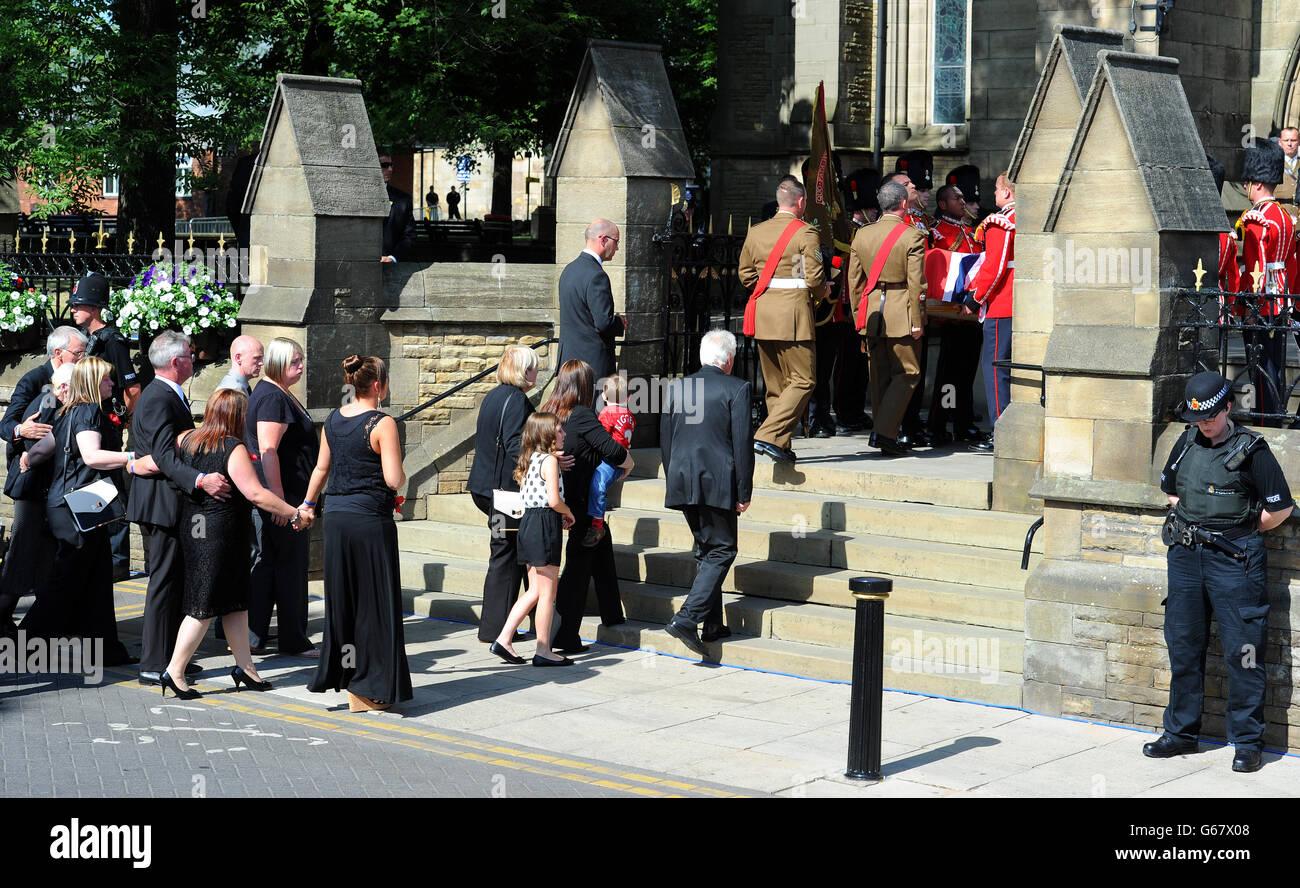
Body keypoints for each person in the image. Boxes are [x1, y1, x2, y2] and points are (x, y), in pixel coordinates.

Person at [1143, 372, 1294, 773]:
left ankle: (1247, 742)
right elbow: (1172, 490)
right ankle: (1180, 734)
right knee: (1184, 645)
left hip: (1235, 560)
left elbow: (1279, 509)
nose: (1205, 423)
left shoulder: (1253, 450)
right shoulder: (1187, 440)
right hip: (1186, 558)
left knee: (1243, 654)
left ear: (1228, 407)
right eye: (1198, 418)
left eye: (1210, 415)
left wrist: (1240, 530)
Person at [157, 389, 308, 699]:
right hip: (220, 535)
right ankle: (174, 671)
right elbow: (254, 493)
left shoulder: (189, 440)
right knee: (204, 605)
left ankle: (246, 669)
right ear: (238, 416)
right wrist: (293, 513)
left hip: (197, 530)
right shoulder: (232, 446)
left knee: (236, 604)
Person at [20, 358, 156, 666]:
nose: (112, 384)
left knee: (96, 578)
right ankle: (19, 646)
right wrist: (132, 457)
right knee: (65, 581)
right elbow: (92, 456)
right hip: (77, 507)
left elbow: (47, 447)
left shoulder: (69, 411)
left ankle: (107, 651)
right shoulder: (90, 411)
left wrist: (28, 458)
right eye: (107, 379)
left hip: (72, 505)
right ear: (94, 380)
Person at [303, 355, 413, 712]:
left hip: (335, 518)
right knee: (375, 605)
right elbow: (393, 479)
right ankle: (372, 686)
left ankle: (350, 681)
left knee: (345, 602)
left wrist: (307, 504)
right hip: (369, 521)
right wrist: (403, 480)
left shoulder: (334, 419)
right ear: (377, 386)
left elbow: (321, 468)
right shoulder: (383, 423)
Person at [129, 332, 232, 686]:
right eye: (189, 355)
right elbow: (162, 456)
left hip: (167, 500)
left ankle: (174, 660)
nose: (194, 359)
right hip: (160, 502)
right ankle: (153, 663)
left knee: (176, 579)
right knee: (163, 581)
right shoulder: (158, 397)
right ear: (176, 362)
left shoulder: (164, 393)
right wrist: (202, 479)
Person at [661, 330, 754, 656]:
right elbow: (742, 444)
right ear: (728, 359)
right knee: (722, 549)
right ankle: (687, 618)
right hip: (717, 481)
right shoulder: (737, 388)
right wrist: (744, 490)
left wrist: (672, 476)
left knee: (707, 548)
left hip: (683, 478)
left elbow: (666, 438)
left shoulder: (678, 387)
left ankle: (712, 624)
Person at [0, 326, 86, 638]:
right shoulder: (35, 380)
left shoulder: (75, 378)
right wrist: (22, 431)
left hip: (56, 483)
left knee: (50, 552)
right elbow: (7, 424)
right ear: (58, 353)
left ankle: (42, 622)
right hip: (31, 480)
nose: (84, 358)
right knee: (23, 549)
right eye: (78, 353)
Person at [739, 176, 827, 464]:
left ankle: (780, 443)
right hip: (793, 315)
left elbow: (746, 274)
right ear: (801, 202)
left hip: (764, 314)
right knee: (803, 380)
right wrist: (824, 289)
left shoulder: (757, 231)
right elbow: (814, 277)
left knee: (777, 385)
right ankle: (767, 436)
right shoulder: (807, 232)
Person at [548, 360, 633, 654]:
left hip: (557, 498)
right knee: (577, 568)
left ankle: (611, 612)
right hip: (579, 503)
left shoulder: (551, 411)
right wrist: (630, 463)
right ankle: (566, 636)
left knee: (601, 538)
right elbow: (613, 449)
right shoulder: (582, 415)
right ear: (584, 387)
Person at [247, 337, 320, 656]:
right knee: (289, 567)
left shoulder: (277, 393)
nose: (301, 366)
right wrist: (282, 503)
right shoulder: (272, 398)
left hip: (287, 495)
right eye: (294, 362)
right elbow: (268, 450)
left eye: (302, 360)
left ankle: (257, 637)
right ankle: (293, 638)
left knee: (274, 566)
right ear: (277, 363)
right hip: (285, 497)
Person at [488, 412, 577, 667]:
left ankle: (504, 638)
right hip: (544, 524)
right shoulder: (549, 461)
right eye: (559, 430)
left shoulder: (531, 459)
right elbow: (553, 500)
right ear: (547, 434)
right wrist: (568, 512)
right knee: (548, 592)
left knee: (535, 590)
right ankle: (544, 649)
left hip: (528, 523)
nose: (564, 434)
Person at [467, 346, 540, 643]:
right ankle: (498, 629)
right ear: (523, 371)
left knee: (507, 554)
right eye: (534, 367)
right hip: (504, 495)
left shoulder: (494, 395)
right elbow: (513, 446)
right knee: (507, 556)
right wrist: (544, 465)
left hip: (485, 490)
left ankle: (499, 626)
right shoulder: (517, 400)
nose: (537, 373)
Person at [848, 179, 926, 456]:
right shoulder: (912, 235)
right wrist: (918, 319)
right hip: (901, 311)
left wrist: (859, 315)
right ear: (903, 204)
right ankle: (883, 432)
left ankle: (884, 434)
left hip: (871, 312)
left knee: (879, 376)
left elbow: (854, 281)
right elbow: (917, 284)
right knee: (907, 373)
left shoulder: (862, 235)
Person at [70, 272, 140, 581]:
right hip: (92, 424)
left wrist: (123, 419)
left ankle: (116, 562)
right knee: (93, 487)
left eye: (79, 304)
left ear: (95, 307)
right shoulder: (91, 340)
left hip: (107, 428)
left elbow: (132, 388)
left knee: (109, 491)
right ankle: (97, 555)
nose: (73, 309)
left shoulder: (113, 341)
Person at [1237, 140, 1292, 428]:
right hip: (1281, 298)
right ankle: (1276, 413)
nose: (1245, 188)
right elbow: (1290, 263)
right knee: (1276, 366)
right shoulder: (1284, 216)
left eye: (1247, 183)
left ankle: (1264, 422)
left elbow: (1253, 268)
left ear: (1256, 183)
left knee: (1259, 368)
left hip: (1261, 303)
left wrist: (1242, 303)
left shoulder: (1256, 219)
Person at [927, 180, 986, 445]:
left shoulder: (974, 233)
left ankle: (963, 424)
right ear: (943, 204)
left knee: (967, 373)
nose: (962, 202)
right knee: (948, 376)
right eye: (956, 198)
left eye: (963, 198)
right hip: (950, 314)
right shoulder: (936, 231)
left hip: (972, 315)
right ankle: (940, 424)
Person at [966, 172, 1017, 451]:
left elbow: (994, 268)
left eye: (997, 189)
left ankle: (1001, 431)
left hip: (1001, 305)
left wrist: (975, 298)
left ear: (1007, 192)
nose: (994, 194)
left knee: (995, 370)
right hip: (1022, 306)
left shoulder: (1000, 223)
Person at [558, 219, 626, 382]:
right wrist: (619, 322)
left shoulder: (569, 270)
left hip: (568, 364)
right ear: (603, 239)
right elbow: (603, 323)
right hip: (592, 367)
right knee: (592, 408)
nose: (617, 248)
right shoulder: (597, 275)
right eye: (616, 242)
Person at [583, 373, 635, 546]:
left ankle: (597, 524)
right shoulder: (629, 415)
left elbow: (599, 439)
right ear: (628, 398)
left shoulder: (606, 414)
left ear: (604, 396)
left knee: (598, 486)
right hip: (621, 461)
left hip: (609, 461)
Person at [380, 153, 416, 262]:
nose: (390, 169)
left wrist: (393, 257)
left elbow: (410, 235)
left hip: (392, 266)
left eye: (391, 165)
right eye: (385, 165)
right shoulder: (358, 196)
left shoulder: (403, 200)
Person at [1274, 126, 1299, 209]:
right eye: (1286, 140)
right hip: (1281, 214)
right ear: (1280, 142)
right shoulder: (1273, 165)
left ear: (1299, 141)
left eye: (1293, 140)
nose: (1289, 144)